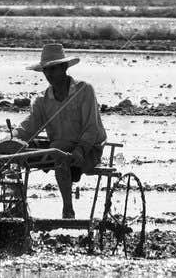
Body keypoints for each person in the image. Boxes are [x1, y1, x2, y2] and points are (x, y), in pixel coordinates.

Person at [9, 42, 107, 219]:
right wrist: (10, 138)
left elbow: (92, 128)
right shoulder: (42, 100)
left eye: (53, 69)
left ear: (64, 68)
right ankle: (17, 205)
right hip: (56, 148)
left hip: (87, 150)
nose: (49, 74)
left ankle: (68, 209)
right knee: (14, 152)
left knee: (59, 152)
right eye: (46, 70)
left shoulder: (84, 91)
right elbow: (28, 127)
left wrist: (80, 149)